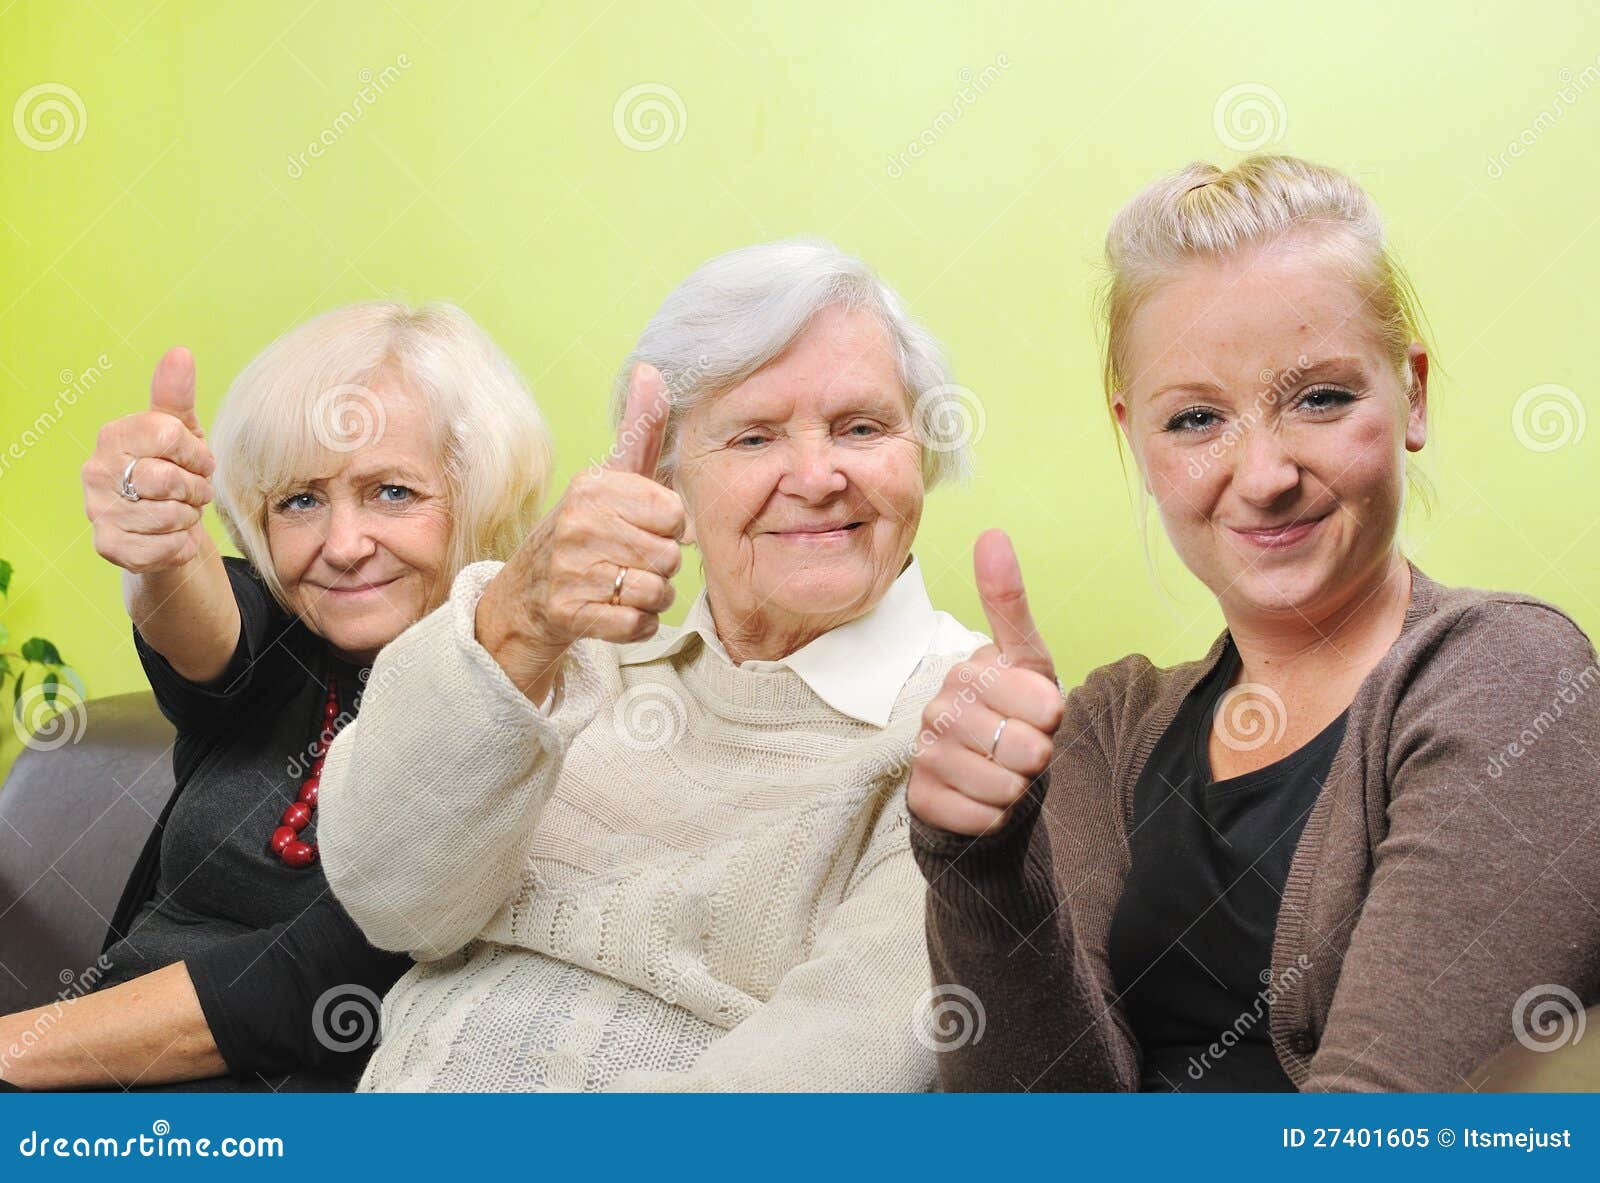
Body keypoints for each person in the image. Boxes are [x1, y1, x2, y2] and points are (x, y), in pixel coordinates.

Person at [907, 154, 1600, 1092]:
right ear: (1135, 440)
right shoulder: (1109, 726)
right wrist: (982, 869)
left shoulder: (1513, 677)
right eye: (1196, 419)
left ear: (1415, 397)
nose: (1265, 473)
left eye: (1320, 397)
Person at [316, 239, 988, 1090]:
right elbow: (388, 893)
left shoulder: (961, 723)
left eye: (861, 427)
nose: (817, 476)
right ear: (672, 474)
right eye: (754, 437)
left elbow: (835, 1069)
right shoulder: (572, 651)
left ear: (920, 453)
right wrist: (517, 617)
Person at [0, 301, 550, 1091]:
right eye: (300, 500)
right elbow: (203, 623)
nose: (344, 544)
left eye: (392, 491)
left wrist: (17, 1052)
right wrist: (161, 549)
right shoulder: (283, 638)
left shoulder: (516, 700)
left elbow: (310, 979)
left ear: (480, 496)